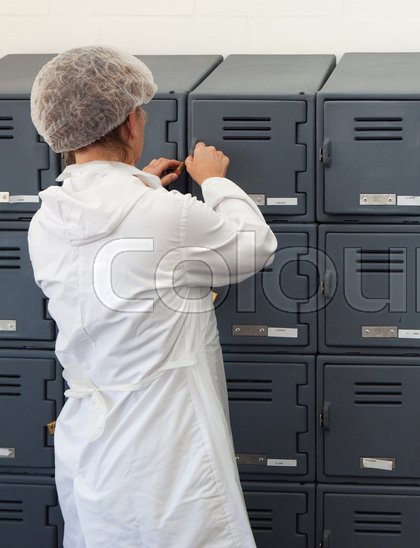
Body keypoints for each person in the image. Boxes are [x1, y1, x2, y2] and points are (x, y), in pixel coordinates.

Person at [27, 46, 276, 547]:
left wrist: (144, 187)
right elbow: (255, 246)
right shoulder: (165, 215)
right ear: (130, 125)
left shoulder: (47, 218)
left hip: (91, 440)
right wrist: (216, 183)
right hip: (166, 439)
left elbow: (122, 248)